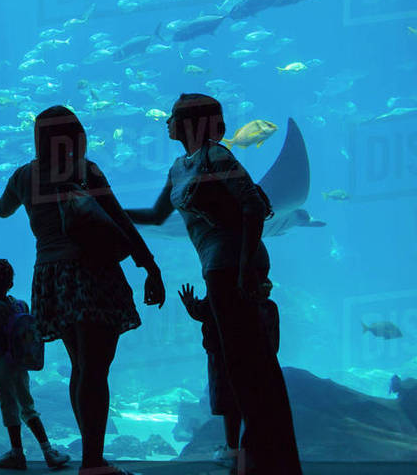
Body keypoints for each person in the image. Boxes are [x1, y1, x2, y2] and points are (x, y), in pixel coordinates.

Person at [0, 105, 165, 475]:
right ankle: (93, 463)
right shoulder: (85, 170)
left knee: (82, 367)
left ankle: (93, 459)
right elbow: (119, 218)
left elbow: (0, 209)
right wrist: (149, 266)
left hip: (51, 280)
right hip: (91, 274)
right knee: (95, 370)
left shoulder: (24, 176)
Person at [126, 93, 302, 475]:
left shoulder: (218, 157)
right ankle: (255, 457)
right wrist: (109, 209)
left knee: (249, 363)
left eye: (173, 116)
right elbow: (156, 216)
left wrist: (244, 269)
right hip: (215, 270)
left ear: (192, 122)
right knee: (235, 363)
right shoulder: (179, 167)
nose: (167, 122)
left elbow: (253, 205)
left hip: (234, 266)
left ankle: (265, 459)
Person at [0, 258, 71, 471]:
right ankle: (48, 451)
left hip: (0, 365)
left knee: (9, 407)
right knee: (28, 406)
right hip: (20, 364)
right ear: (11, 284)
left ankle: (17, 453)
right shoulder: (21, 305)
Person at [177, 280, 280, 467]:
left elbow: (202, 311)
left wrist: (190, 303)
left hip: (224, 361)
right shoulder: (268, 307)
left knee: (231, 407)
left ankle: (232, 450)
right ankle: (254, 451)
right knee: (253, 405)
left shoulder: (220, 294)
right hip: (258, 364)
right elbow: (273, 343)